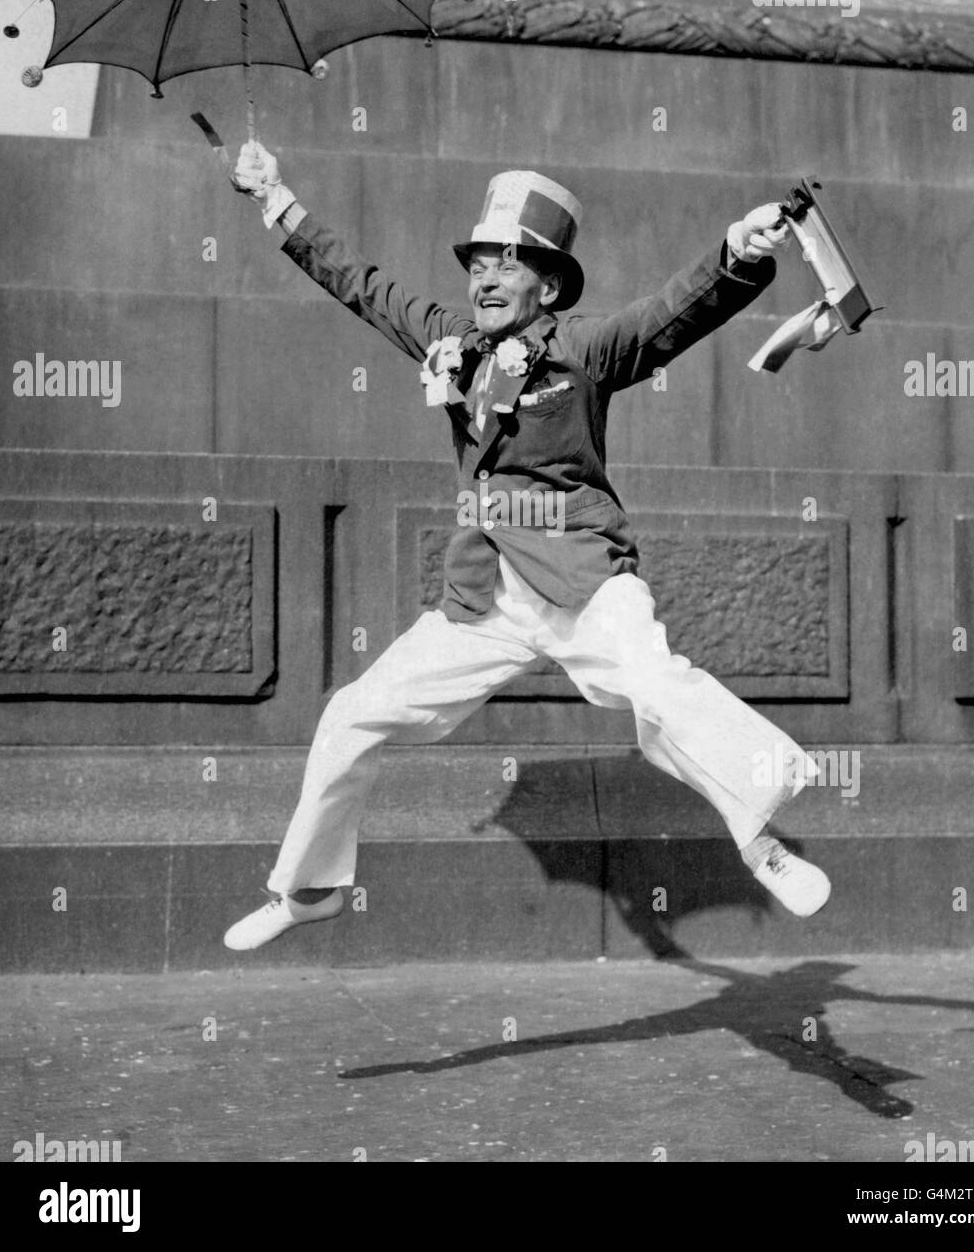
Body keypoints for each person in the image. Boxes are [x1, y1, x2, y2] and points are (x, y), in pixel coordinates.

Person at [223, 144, 830, 950]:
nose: (486, 277)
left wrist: (738, 251)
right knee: (352, 714)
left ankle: (760, 842)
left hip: (581, 578)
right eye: (479, 261)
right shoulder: (450, 342)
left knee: (655, 684)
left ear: (545, 285)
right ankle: (308, 888)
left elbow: (670, 314)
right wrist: (275, 198)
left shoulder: (582, 350)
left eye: (509, 263)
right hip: (486, 595)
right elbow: (362, 287)